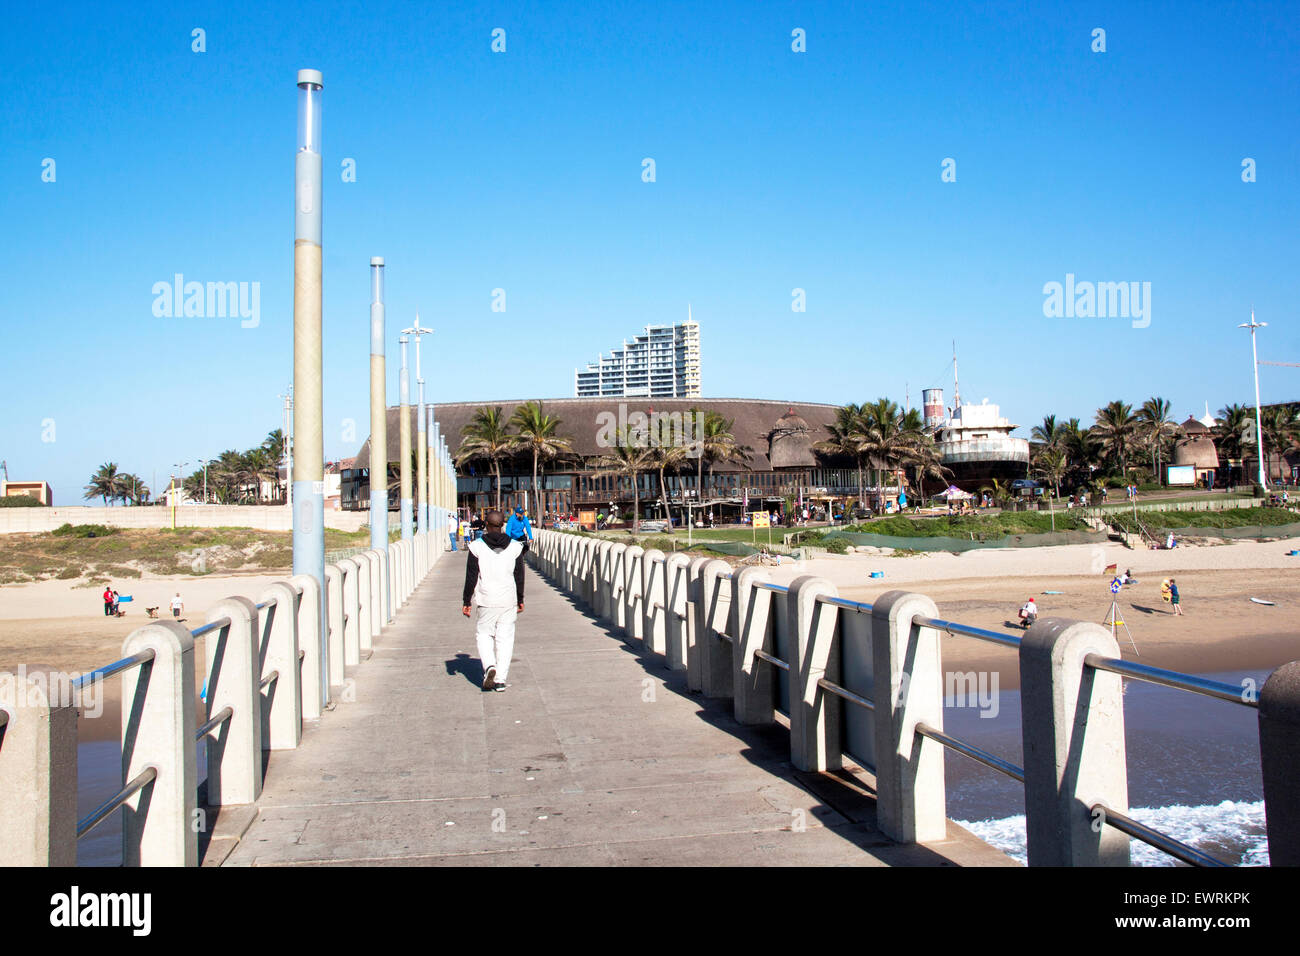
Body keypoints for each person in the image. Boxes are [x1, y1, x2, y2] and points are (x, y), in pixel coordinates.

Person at [461, 510, 526, 692]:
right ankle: (500, 680)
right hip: (508, 599)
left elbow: (471, 577)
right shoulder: (515, 547)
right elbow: (519, 576)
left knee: (484, 634)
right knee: (505, 639)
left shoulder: (476, 547)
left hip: (486, 598)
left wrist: (467, 601)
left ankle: (489, 665)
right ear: (503, 525)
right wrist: (520, 599)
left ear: (486, 526)